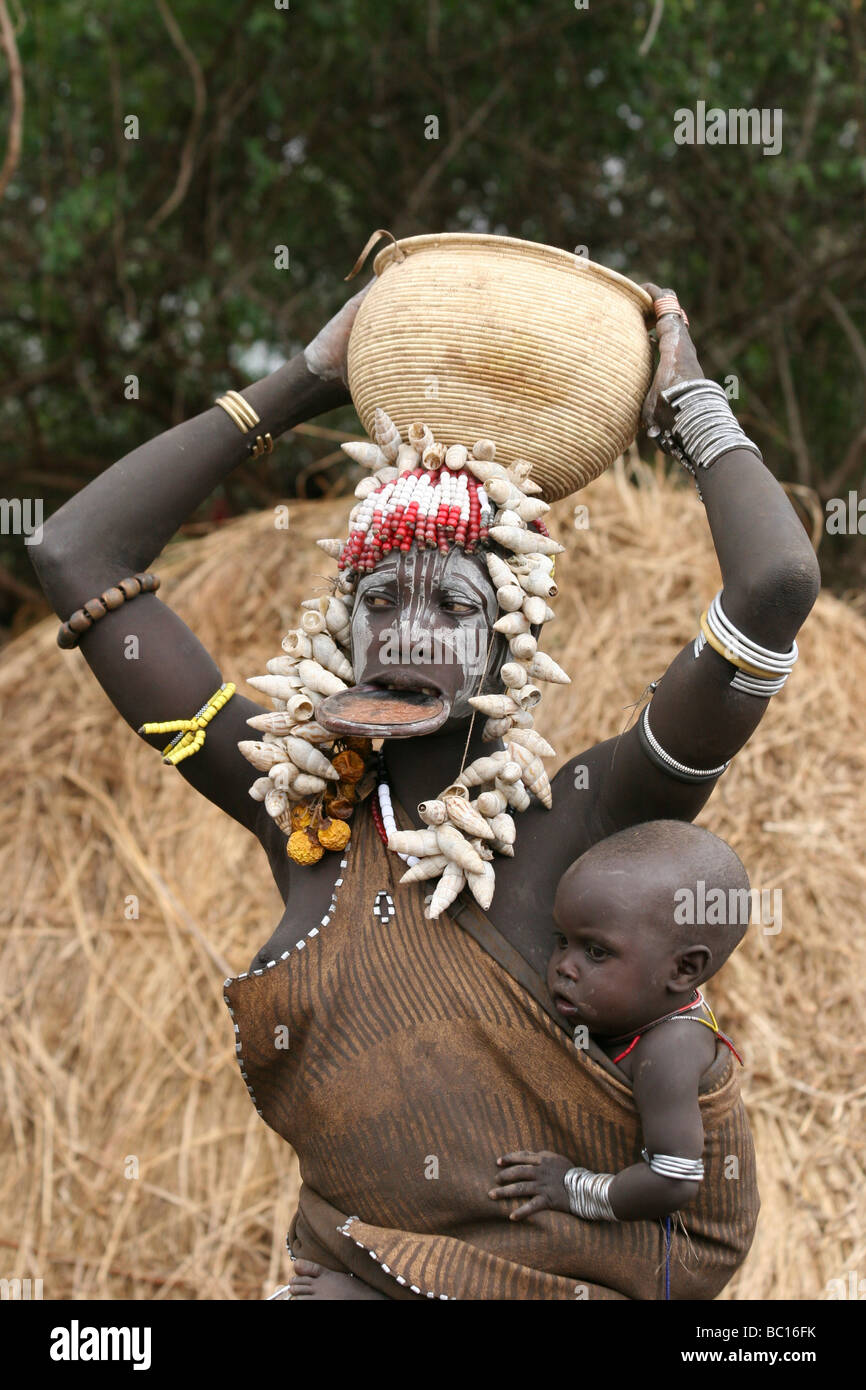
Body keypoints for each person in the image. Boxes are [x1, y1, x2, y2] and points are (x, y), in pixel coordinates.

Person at [30, 260, 820, 1300]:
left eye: (450, 608)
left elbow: (771, 587)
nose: (403, 633)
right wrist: (308, 381)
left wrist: (688, 401)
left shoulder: (585, 819)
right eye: (376, 598)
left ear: (510, 643)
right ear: (339, 627)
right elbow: (73, 551)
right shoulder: (298, 811)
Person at [489, 821, 751, 1283]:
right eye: (561, 942)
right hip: (641, 1203)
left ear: (684, 970)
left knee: (530, 1237)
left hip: (682, 1249)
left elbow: (674, 1180)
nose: (564, 967)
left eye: (595, 952)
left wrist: (572, 1189)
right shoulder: (632, 1008)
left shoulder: (671, 1049)